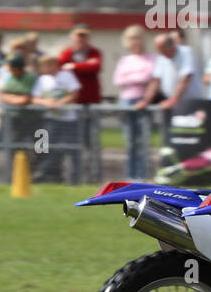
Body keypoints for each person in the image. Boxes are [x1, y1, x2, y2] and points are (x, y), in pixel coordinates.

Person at [112, 26, 161, 180]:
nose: (135, 42)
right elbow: (118, 80)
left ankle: (142, 175)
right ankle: (130, 175)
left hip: (144, 101)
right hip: (127, 101)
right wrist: (140, 78)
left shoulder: (152, 58)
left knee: (143, 140)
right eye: (132, 39)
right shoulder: (125, 60)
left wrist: (132, 78)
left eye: (137, 38)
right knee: (130, 141)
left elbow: (152, 77)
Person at [31, 53, 81, 181]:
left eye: (48, 65)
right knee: (46, 148)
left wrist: (60, 103)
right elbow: (35, 98)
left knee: (70, 149)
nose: (46, 68)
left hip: (69, 120)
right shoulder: (42, 80)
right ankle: (51, 176)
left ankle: (75, 178)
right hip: (51, 120)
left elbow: (74, 93)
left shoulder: (67, 76)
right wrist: (47, 103)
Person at [58, 26, 102, 105]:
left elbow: (95, 67)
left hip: (91, 98)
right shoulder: (66, 53)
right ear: (72, 37)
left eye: (84, 36)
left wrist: (74, 66)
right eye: (78, 35)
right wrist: (86, 65)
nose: (81, 38)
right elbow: (61, 69)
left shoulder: (94, 52)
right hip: (71, 98)